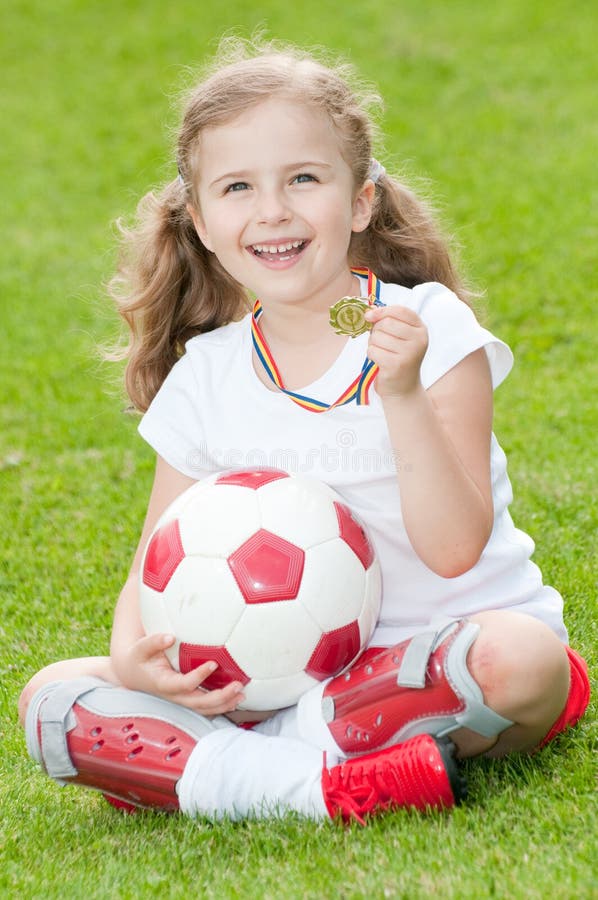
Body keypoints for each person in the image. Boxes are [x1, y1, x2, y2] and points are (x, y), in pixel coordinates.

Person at [19, 38, 589, 825]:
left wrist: (403, 395)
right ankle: (321, 781)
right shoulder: (207, 376)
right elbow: (157, 558)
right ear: (202, 221)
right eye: (238, 187)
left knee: (522, 662)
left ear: (360, 200)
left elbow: (455, 547)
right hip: (271, 679)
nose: (273, 210)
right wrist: (134, 661)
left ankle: (241, 772)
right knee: (50, 697)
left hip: (434, 660)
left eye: (304, 179)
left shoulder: (428, 328)